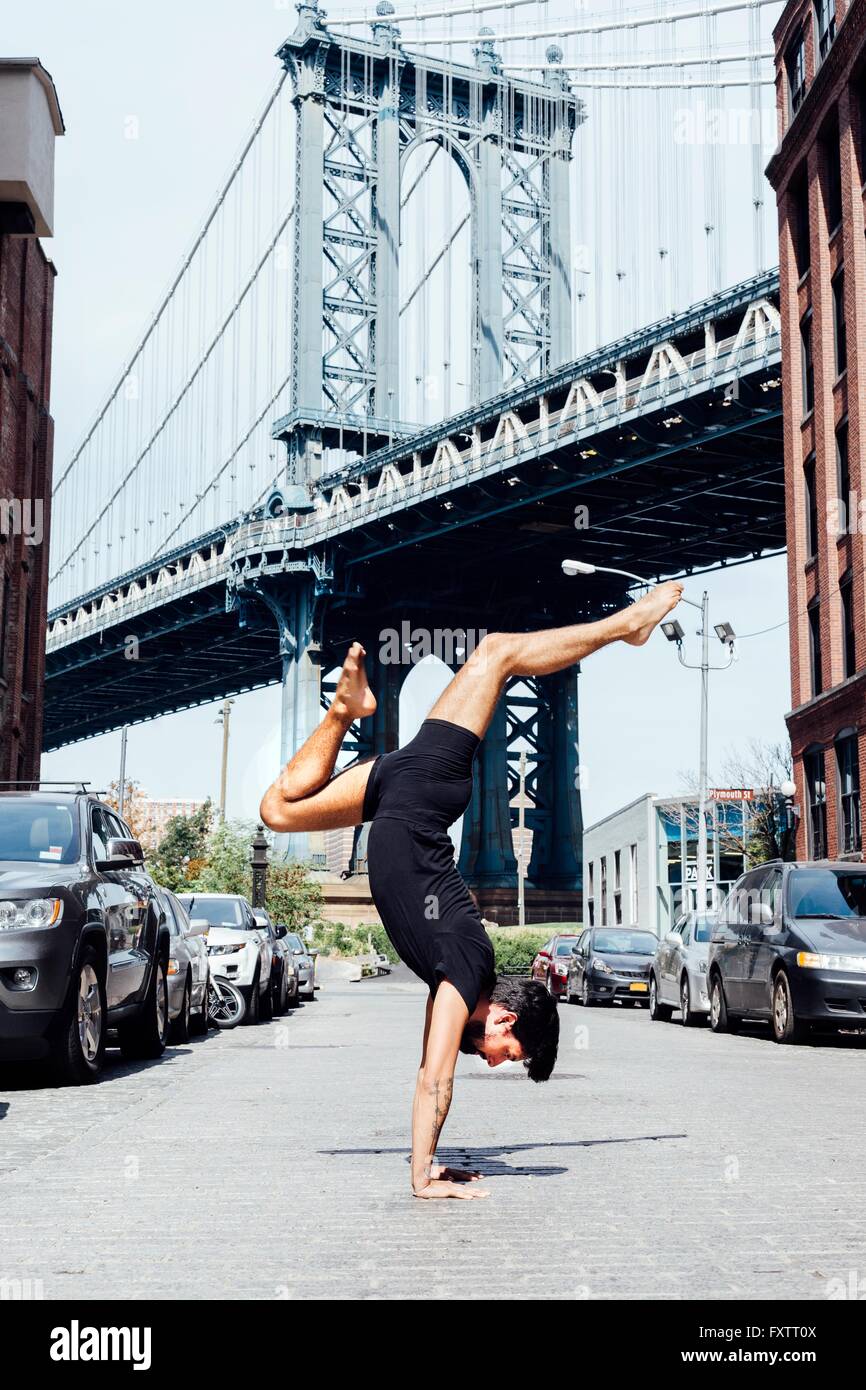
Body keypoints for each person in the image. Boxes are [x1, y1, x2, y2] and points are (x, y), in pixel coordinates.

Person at [261, 580, 683, 1199]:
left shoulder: (454, 981)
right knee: (496, 652)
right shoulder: (462, 970)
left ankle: (345, 712)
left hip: (396, 793)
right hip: (424, 788)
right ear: (504, 1018)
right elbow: (436, 1082)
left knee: (278, 810)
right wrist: (421, 1181)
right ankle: (628, 625)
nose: (494, 1061)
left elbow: (427, 1070)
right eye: (508, 1053)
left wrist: (430, 1161)